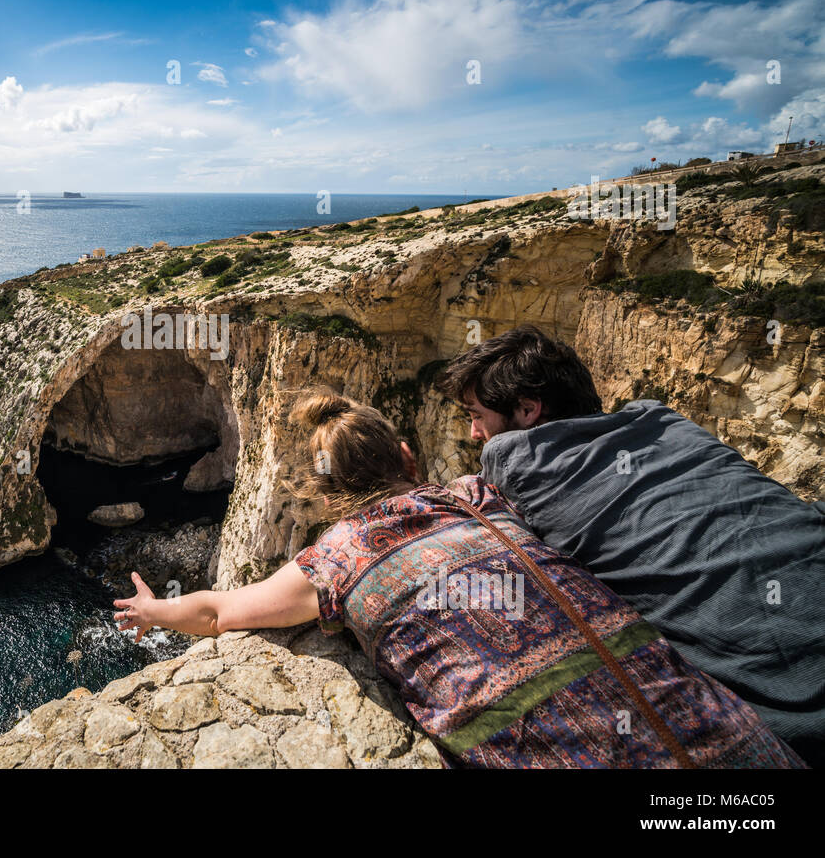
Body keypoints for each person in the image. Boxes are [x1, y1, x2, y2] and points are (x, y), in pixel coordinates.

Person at [114, 389, 804, 768]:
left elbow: (217, 614)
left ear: (324, 499)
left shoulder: (337, 559)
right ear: (409, 456)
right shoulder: (477, 496)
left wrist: (152, 613)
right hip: (739, 747)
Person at [434, 324, 825, 767]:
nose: (472, 433)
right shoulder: (661, 420)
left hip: (796, 702)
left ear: (527, 410)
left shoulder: (518, 460)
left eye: (475, 415)